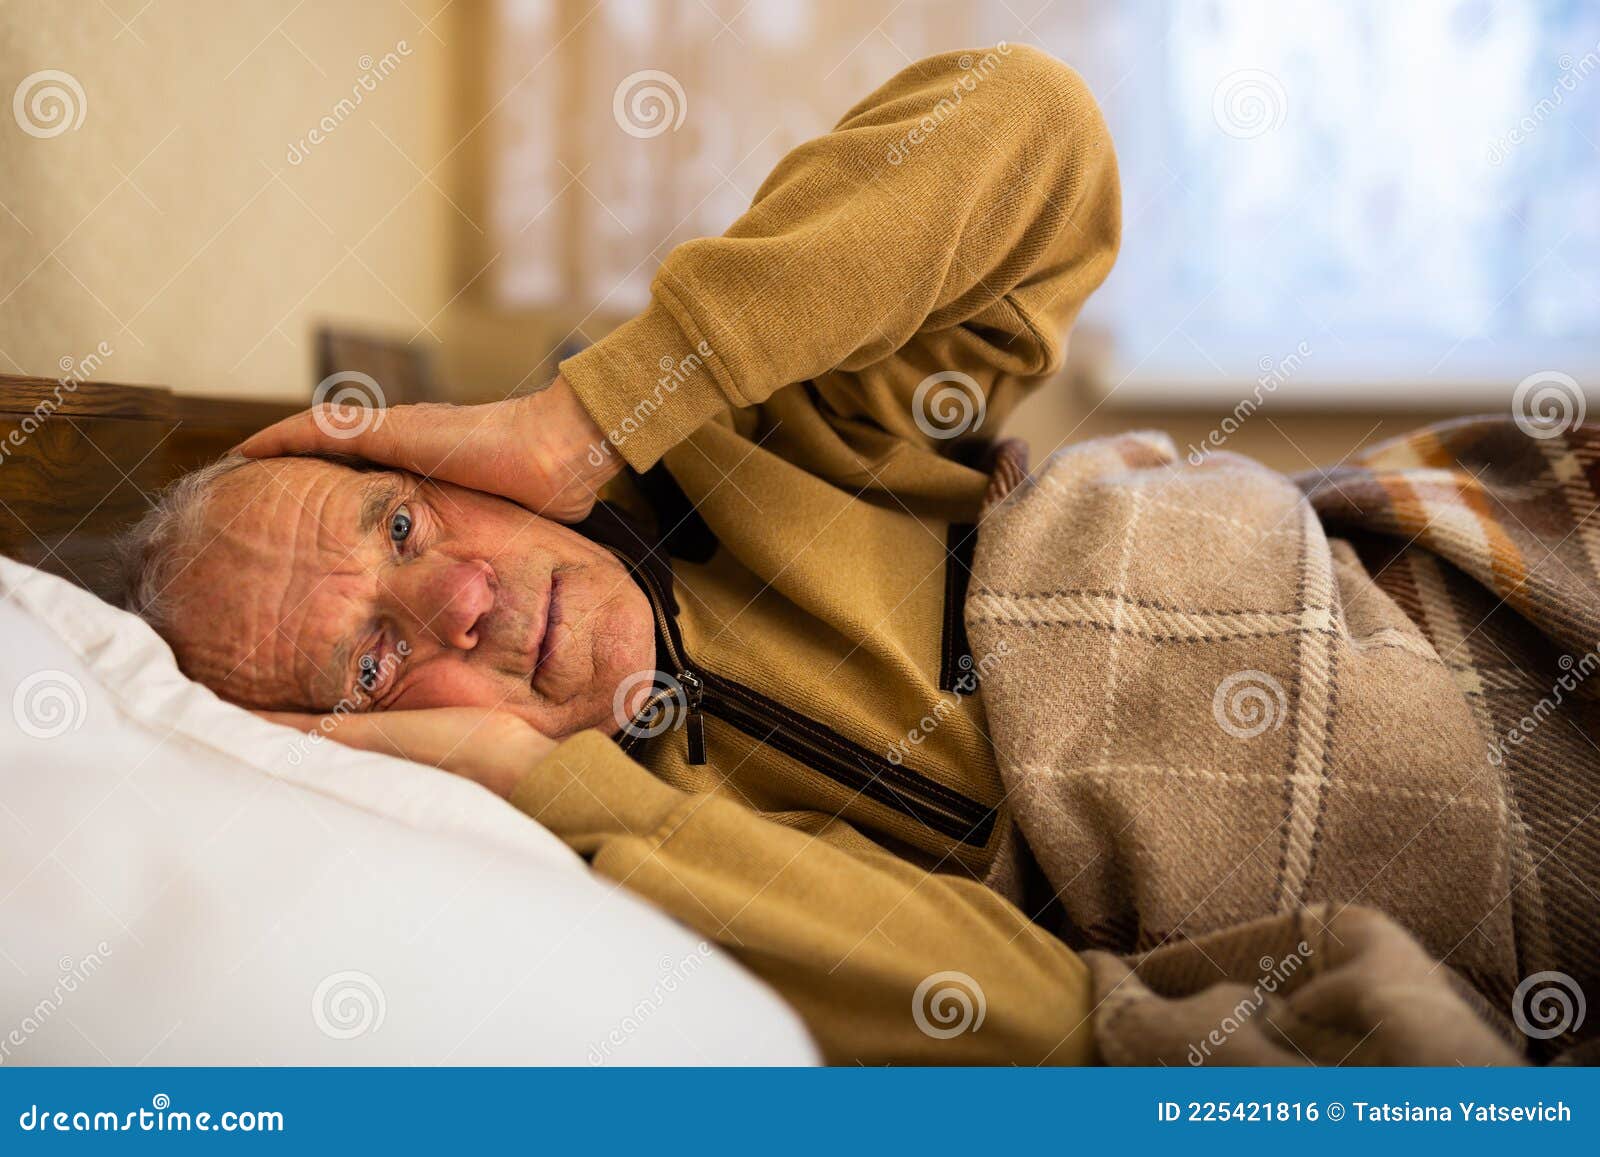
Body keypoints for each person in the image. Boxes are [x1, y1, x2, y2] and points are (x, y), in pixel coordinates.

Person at [117, 44, 1122, 1064]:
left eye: (402, 526)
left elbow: (1037, 126)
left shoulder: (743, 439)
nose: (463, 595)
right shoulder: (648, 868)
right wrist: (561, 793)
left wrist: (583, 420)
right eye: (372, 664)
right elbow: (1062, 1026)